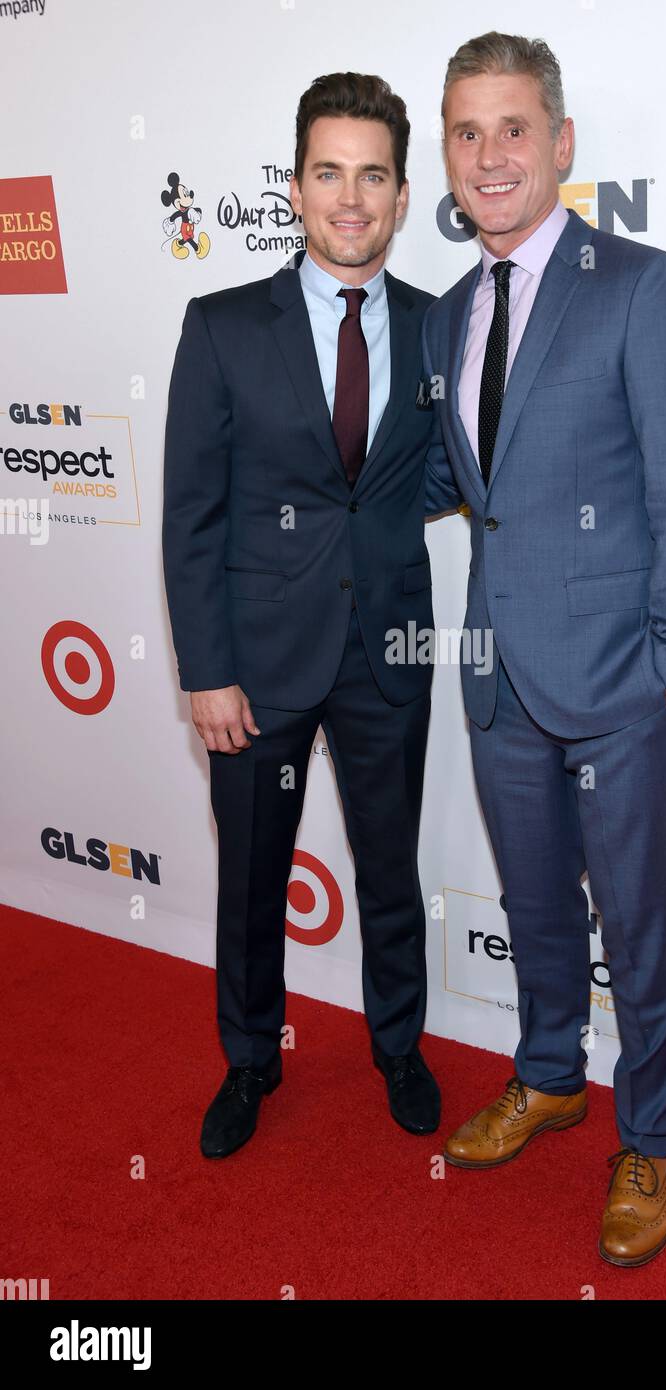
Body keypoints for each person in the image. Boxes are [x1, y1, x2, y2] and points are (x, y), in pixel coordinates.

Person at [423, 31, 666, 1265]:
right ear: (446, 156)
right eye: (464, 132)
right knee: (537, 908)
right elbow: (468, 491)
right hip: (498, 677)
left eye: (511, 128)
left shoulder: (642, 287)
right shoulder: (449, 312)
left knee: (638, 927)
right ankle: (549, 1074)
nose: (488, 156)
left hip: (620, 690)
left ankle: (648, 1133)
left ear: (558, 142)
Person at [162, 72, 442, 1160]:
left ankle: (399, 1046)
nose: (350, 197)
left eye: (372, 174)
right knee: (250, 879)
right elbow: (191, 511)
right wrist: (204, 667)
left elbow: (436, 472)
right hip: (258, 664)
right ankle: (248, 1059)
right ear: (294, 187)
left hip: (386, 654)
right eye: (329, 172)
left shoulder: (435, 327)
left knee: (389, 867)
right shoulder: (224, 325)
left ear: (403, 193)